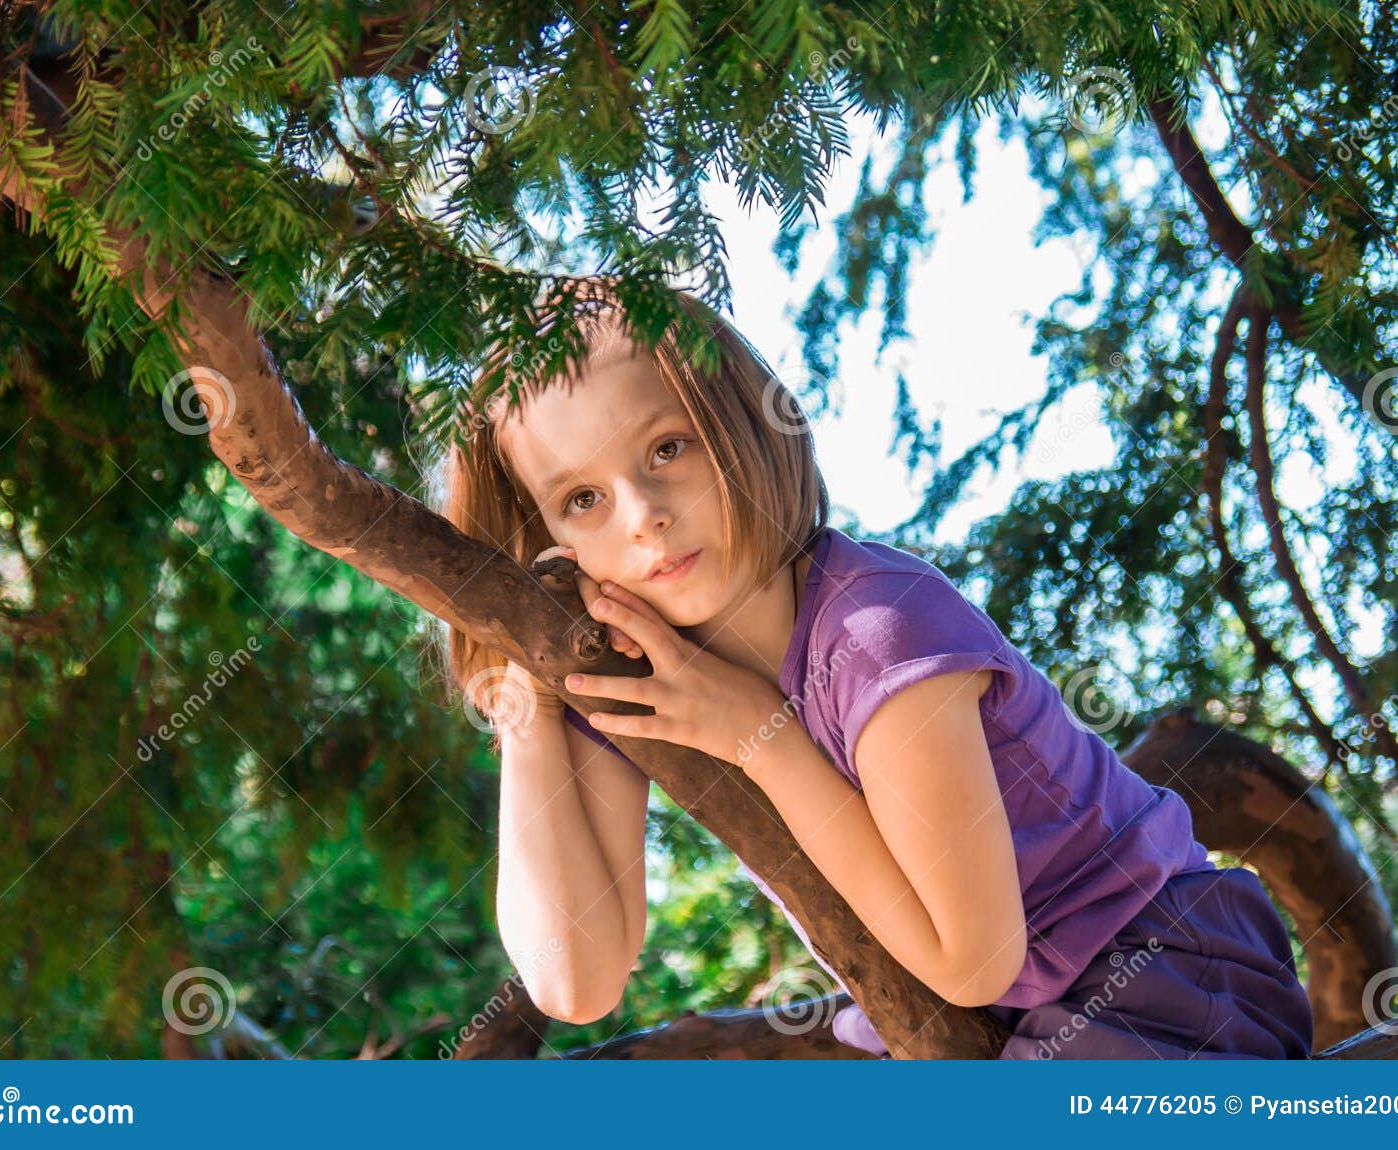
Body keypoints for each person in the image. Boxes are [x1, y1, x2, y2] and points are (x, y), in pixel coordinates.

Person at [431, 279, 1315, 1060]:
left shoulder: (875, 626)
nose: (643, 516)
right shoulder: (647, 671)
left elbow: (973, 960)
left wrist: (755, 735)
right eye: (581, 500)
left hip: (1162, 967)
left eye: (667, 449)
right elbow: (575, 981)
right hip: (996, 1015)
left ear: (741, 427)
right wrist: (527, 695)